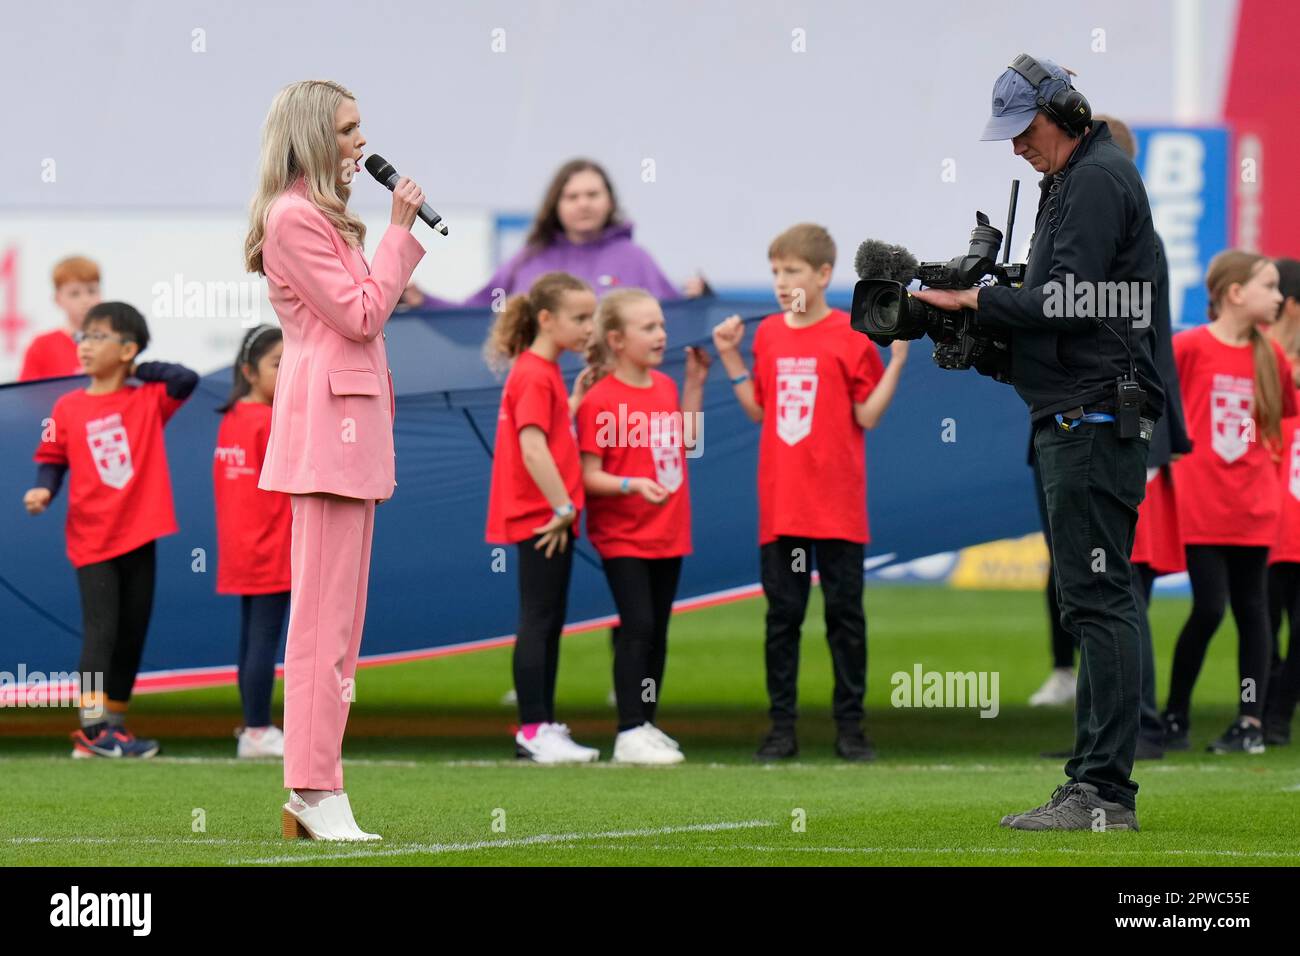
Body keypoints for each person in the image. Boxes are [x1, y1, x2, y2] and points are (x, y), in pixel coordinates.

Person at [914, 56, 1165, 830]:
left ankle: (1103, 792)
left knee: (1098, 601)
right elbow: (1069, 296)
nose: (1018, 147)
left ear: (1065, 111)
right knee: (1095, 600)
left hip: (1089, 418)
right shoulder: (1082, 175)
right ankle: (1094, 785)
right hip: (1083, 412)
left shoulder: (1093, 179)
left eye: (1026, 131)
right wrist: (988, 310)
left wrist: (978, 298)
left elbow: (1067, 301)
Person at [245, 79, 427, 841]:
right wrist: (399, 233)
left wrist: (385, 243)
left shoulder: (319, 218)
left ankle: (320, 788)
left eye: (360, 129)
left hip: (348, 435)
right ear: (314, 135)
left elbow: (361, 310)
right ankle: (312, 790)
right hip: (327, 435)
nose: (361, 144)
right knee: (321, 627)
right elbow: (358, 315)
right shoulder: (292, 218)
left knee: (339, 629)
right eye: (348, 131)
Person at [712, 223, 906, 762]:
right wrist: (730, 357)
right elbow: (759, 410)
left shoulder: (850, 336)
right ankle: (781, 729)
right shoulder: (768, 335)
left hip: (838, 508)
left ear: (823, 274)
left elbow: (864, 414)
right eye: (775, 270)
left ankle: (851, 728)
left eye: (792, 270)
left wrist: (897, 366)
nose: (781, 281)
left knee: (845, 619)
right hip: (783, 506)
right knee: (783, 620)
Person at [22, 301, 199, 758]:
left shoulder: (147, 398)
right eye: (84, 336)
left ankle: (114, 724)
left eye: (99, 337)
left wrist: (138, 364)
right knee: (101, 630)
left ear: (126, 349)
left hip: (141, 533)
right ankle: (92, 726)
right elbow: (51, 460)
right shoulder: (66, 406)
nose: (85, 346)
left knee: (132, 630)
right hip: (92, 539)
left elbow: (185, 379)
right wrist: (44, 491)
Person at [1160, 251, 1294, 754]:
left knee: (1254, 611)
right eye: (1270, 286)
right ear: (1235, 293)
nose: (1279, 297)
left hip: (1255, 507)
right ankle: (1175, 714)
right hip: (1201, 503)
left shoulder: (1272, 357)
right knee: (1210, 608)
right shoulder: (1189, 347)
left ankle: (1249, 723)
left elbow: (1282, 423)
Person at [575, 288, 710, 764]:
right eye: (648, 327)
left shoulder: (665, 388)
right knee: (638, 626)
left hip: (669, 529)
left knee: (658, 631)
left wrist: (694, 384)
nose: (661, 335)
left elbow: (686, 444)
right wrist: (632, 484)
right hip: (624, 535)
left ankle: (647, 723)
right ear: (616, 339)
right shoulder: (600, 399)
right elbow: (588, 475)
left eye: (661, 326)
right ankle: (629, 729)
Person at [484, 270, 601, 763]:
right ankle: (533, 729)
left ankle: (542, 724)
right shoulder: (533, 372)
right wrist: (562, 507)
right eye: (580, 318)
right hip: (542, 517)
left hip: (548, 515)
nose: (589, 327)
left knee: (548, 620)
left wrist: (572, 401)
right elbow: (532, 449)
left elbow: (547, 432)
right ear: (547, 319)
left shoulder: (543, 371)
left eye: (592, 317)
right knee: (539, 619)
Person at [406, 158, 705, 309]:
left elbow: (675, 320)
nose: (583, 203)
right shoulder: (529, 259)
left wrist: (703, 298)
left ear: (610, 201)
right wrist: (424, 301)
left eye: (592, 194)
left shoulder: (636, 259)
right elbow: (477, 318)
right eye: (572, 196)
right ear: (556, 205)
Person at [213, 324, 291, 759]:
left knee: (251, 640)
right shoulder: (268, 421)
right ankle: (258, 730)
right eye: (278, 364)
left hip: (241, 550)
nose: (288, 371)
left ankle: (252, 726)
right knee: (263, 640)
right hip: (271, 548)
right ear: (248, 370)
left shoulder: (232, 418)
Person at [1264, 257, 1300, 745]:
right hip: (1266, 509)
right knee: (1261, 617)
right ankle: (1260, 710)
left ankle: (1277, 711)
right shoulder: (1256, 354)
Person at [19, 256, 101, 382]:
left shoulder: (113, 342)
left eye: (91, 291)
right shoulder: (41, 346)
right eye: (74, 294)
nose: (85, 300)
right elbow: (26, 394)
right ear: (58, 299)